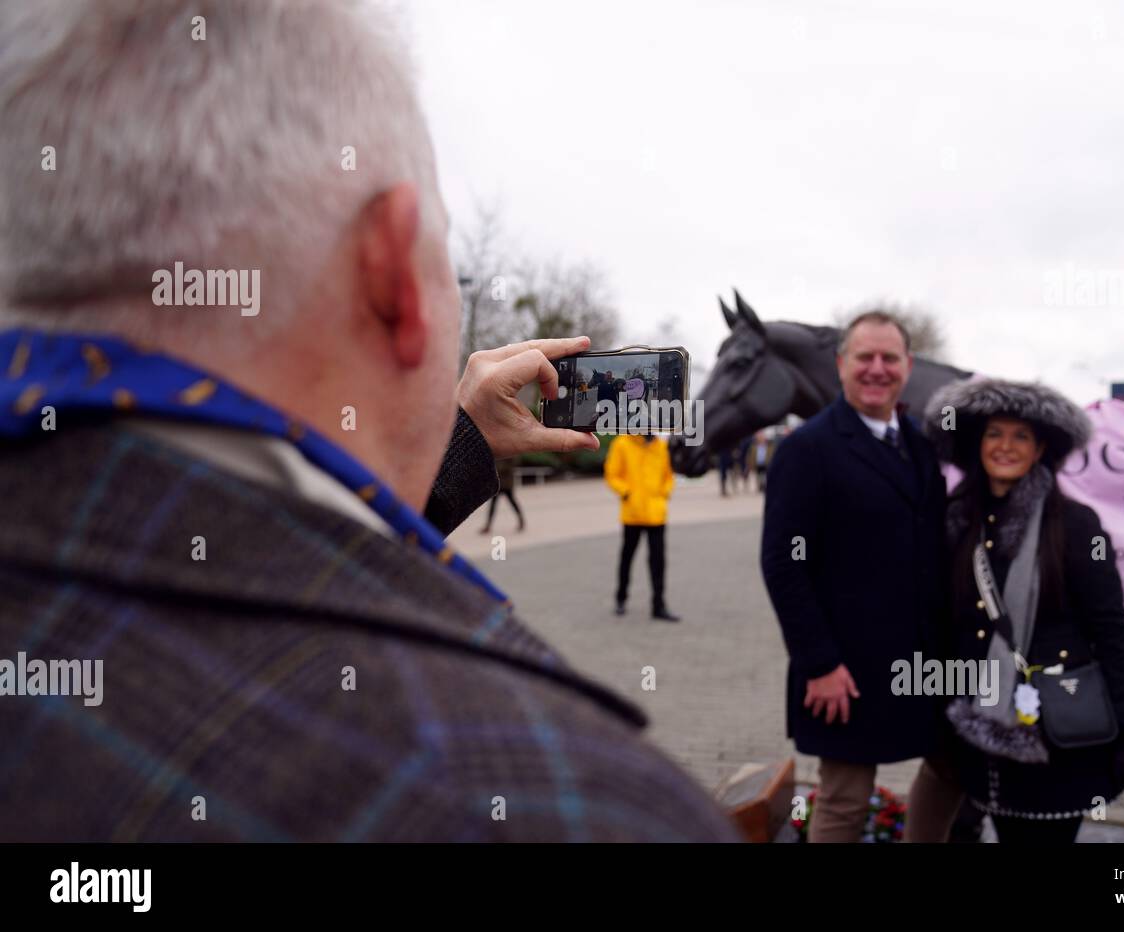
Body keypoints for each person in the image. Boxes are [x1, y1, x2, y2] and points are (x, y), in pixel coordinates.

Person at [0, 0, 736, 842]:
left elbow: (259, 556)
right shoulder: (563, 803)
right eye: (446, 260)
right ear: (391, 268)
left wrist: (458, 448)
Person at [919, 378, 1124, 843]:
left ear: (1041, 447)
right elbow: (942, 626)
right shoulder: (955, 522)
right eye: (994, 434)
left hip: (1056, 737)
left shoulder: (1077, 524)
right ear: (977, 444)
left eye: (1020, 435)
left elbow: (1112, 630)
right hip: (975, 730)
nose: (1005, 446)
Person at [760, 312, 949, 842]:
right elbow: (782, 562)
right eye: (864, 356)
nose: (877, 368)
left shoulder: (920, 444)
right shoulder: (807, 449)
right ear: (841, 365)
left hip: (925, 661)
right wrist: (818, 661)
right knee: (843, 800)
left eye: (889, 358)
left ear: (908, 367)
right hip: (845, 666)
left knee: (955, 768)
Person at [604, 433, 680, 621]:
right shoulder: (622, 443)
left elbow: (669, 475)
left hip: (656, 514)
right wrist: (626, 492)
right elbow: (612, 474)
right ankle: (621, 597)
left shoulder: (661, 446)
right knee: (627, 557)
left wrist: (665, 493)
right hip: (633, 513)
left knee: (658, 561)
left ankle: (659, 605)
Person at [480, 457, 524, 534]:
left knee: (512, 502)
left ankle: (521, 520)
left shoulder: (510, 454)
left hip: (506, 483)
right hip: (498, 484)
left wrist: (495, 469)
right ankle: (488, 525)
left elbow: (511, 465)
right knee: (493, 504)